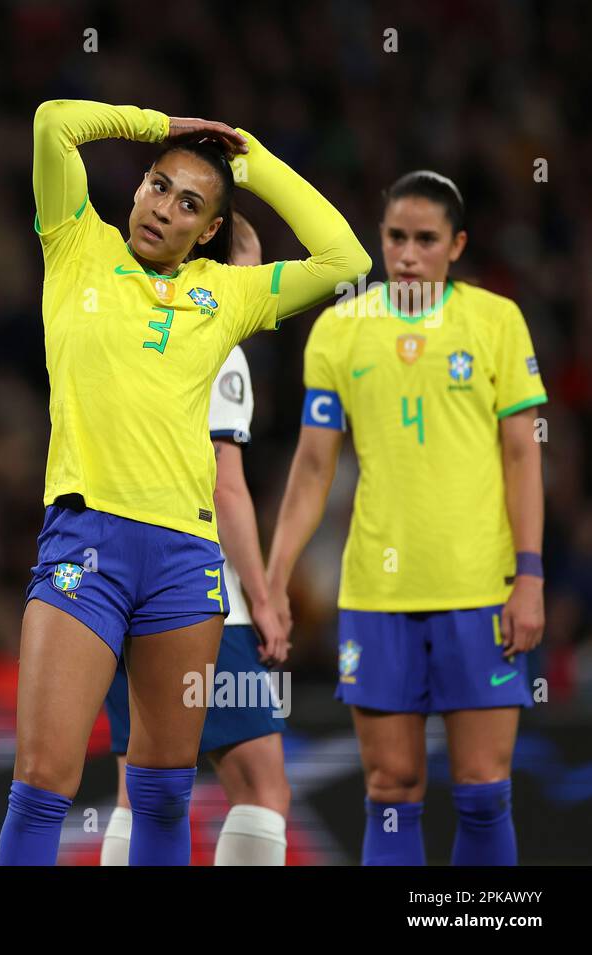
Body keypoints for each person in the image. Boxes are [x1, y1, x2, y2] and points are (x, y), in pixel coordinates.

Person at [0, 99, 369, 866]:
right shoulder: (75, 243)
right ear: (135, 187)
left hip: (183, 560)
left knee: (164, 793)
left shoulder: (225, 295)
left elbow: (346, 262)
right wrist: (154, 124)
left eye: (190, 203)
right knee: (42, 782)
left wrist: (254, 163)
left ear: (207, 233)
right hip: (85, 543)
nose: (164, 208)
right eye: (158, 186)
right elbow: (50, 123)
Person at [265, 170, 545, 865]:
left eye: (426, 239)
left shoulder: (496, 321)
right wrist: (273, 578)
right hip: (376, 596)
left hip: (481, 588)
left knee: (483, 787)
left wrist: (531, 576)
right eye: (396, 237)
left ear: (456, 245)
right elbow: (310, 468)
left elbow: (522, 457)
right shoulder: (339, 330)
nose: (408, 253)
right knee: (392, 788)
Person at [100, 214, 291, 866]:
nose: (262, 287)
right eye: (254, 270)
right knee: (262, 786)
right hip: (199, 586)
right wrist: (263, 598)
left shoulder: (128, 325)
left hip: (110, 580)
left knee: (140, 787)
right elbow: (225, 488)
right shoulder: (217, 343)